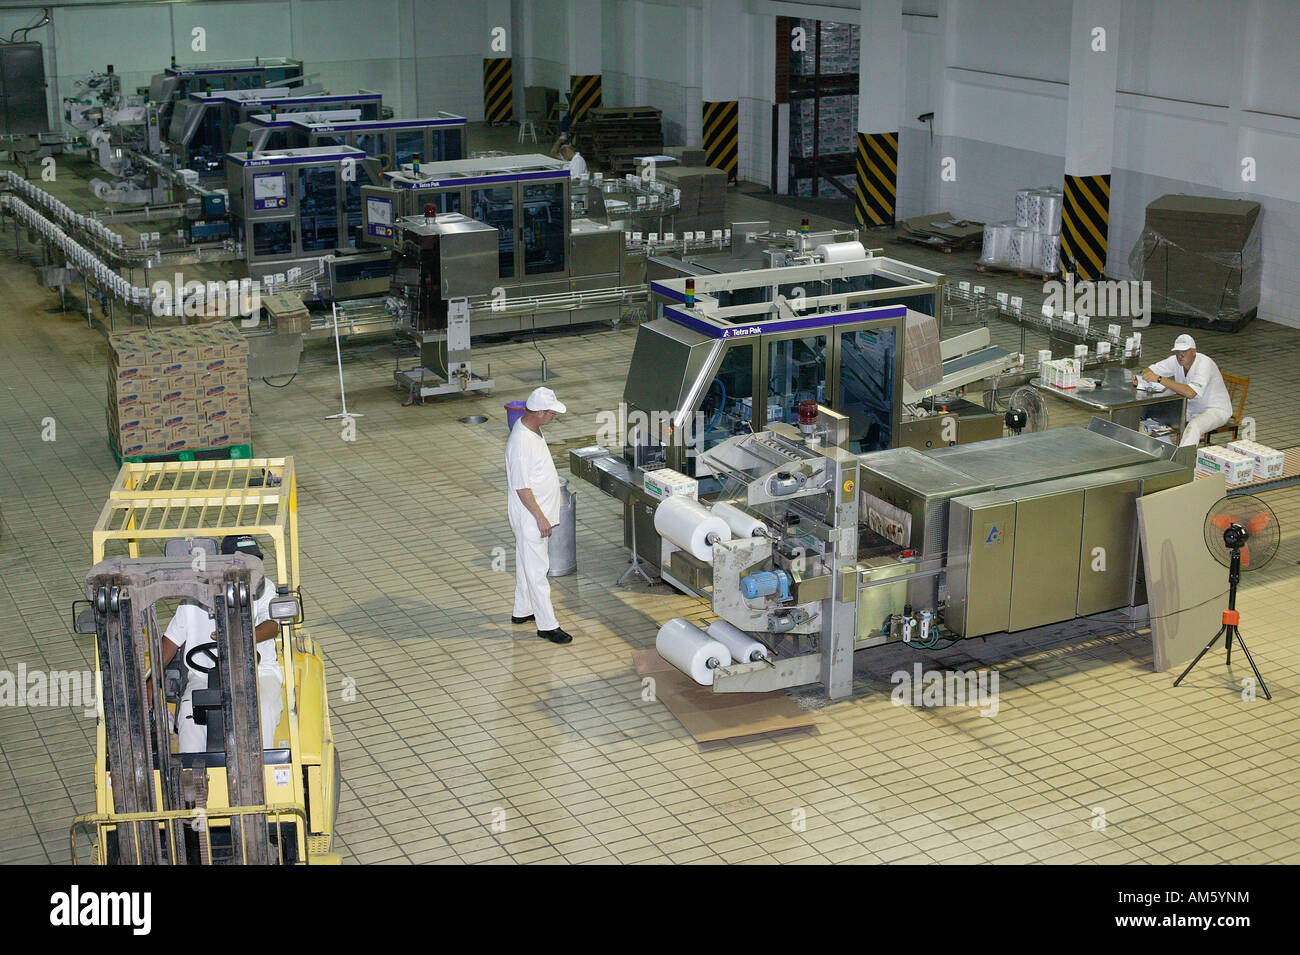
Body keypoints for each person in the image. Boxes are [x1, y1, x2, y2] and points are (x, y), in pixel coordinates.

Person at [162, 535, 285, 752]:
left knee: (263, 708)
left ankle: (262, 765)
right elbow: (170, 642)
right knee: (189, 717)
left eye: (254, 561)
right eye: (243, 562)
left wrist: (238, 634)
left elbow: (272, 625)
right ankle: (192, 770)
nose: (250, 569)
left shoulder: (264, 589)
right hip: (203, 677)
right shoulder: (196, 595)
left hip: (259, 672)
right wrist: (149, 680)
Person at [506, 387, 572, 645]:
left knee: (526, 561)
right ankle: (547, 625)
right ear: (539, 412)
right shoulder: (521, 443)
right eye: (552, 413)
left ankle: (522, 610)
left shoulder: (532, 429)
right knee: (537, 570)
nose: (554, 417)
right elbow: (522, 487)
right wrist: (540, 517)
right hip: (531, 516)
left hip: (535, 514)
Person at [1135, 334, 1233, 447]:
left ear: (1194, 351)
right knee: (1156, 418)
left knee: (1194, 425)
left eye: (1185, 352)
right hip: (1190, 408)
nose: (1180, 356)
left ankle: (1183, 457)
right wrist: (1141, 378)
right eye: (1177, 352)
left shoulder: (1204, 364)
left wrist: (1160, 379)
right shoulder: (1175, 360)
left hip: (1215, 410)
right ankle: (1168, 450)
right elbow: (1149, 371)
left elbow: (1190, 393)